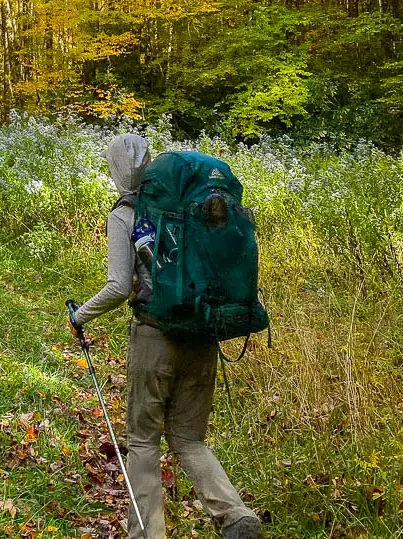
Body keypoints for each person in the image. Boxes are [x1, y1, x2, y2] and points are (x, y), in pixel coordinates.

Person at [69, 134, 262, 539]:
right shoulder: (189, 208)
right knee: (190, 440)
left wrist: (80, 317)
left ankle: (146, 534)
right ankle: (235, 515)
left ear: (116, 170)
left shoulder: (125, 215)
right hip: (203, 334)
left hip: (155, 337)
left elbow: (119, 287)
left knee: (143, 442)